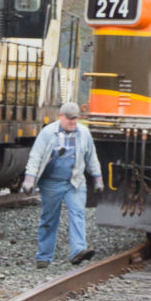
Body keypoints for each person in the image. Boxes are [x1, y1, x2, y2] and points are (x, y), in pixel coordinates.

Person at [21, 102, 101, 267]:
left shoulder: (84, 133)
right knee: (49, 219)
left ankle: (78, 250)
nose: (72, 122)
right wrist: (29, 179)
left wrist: (97, 177)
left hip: (75, 182)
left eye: (75, 119)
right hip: (51, 183)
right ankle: (43, 256)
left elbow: (91, 157)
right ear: (61, 117)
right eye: (69, 119)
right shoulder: (48, 133)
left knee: (77, 214)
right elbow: (35, 156)